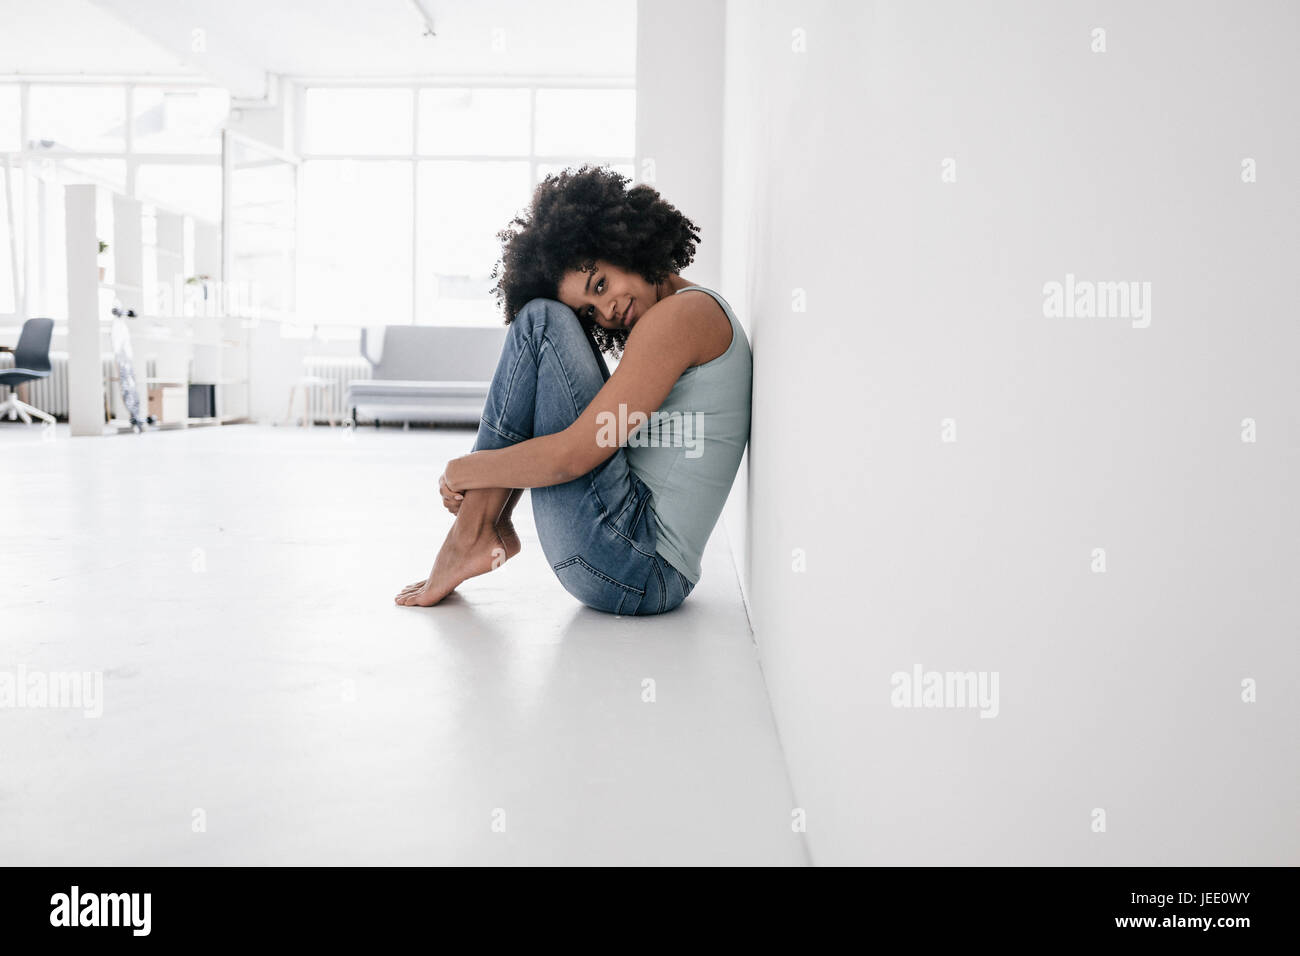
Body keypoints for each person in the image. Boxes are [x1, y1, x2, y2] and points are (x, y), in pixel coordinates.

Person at [395, 165, 751, 615]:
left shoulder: (683, 318)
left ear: (626, 245)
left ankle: (472, 533)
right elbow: (584, 442)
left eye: (600, 284)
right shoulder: (682, 315)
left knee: (541, 322)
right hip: (629, 569)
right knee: (543, 321)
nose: (608, 309)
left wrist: (467, 470)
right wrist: (484, 479)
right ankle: (481, 527)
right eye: (590, 311)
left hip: (631, 565)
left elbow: (574, 455)